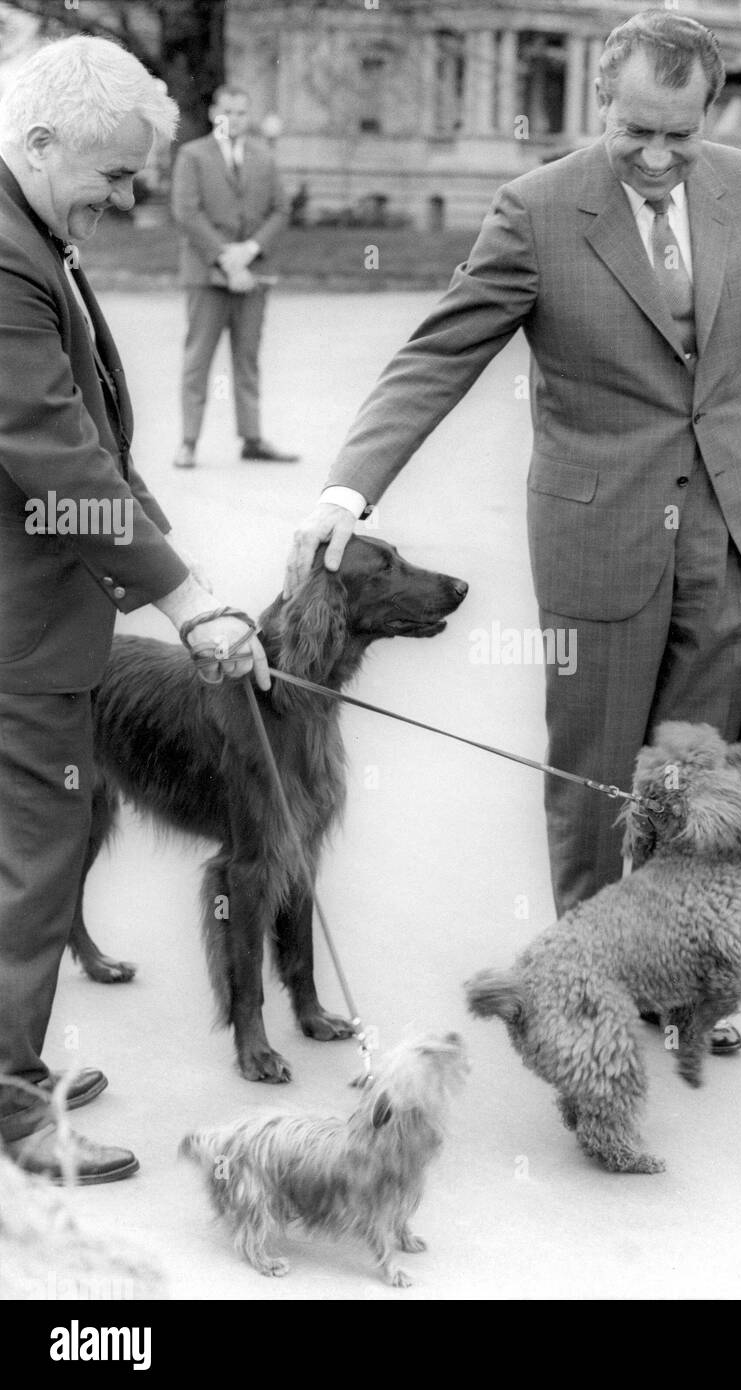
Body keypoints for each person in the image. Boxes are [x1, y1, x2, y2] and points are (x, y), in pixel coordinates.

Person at [285, 10, 741, 1051]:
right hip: (597, 536)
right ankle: (585, 985)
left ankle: (682, 971)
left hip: (727, 537)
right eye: (635, 130)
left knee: (696, 780)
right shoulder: (535, 208)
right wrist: (348, 491)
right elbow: (438, 355)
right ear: (598, 102)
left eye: (679, 134)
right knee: (599, 776)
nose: (656, 157)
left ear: (711, 112)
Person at [0, 36, 269, 1184]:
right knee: (33, 857)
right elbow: (55, 456)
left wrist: (183, 591)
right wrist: (188, 599)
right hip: (19, 631)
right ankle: (13, 1103)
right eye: (115, 175)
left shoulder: (32, 234)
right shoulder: (8, 258)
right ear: (42, 139)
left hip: (39, 607)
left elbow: (92, 445)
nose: (129, 195)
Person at [170, 84, 298, 468]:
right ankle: (188, 441)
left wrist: (251, 251)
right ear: (214, 113)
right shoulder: (192, 155)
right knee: (198, 359)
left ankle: (252, 438)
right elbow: (186, 213)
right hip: (207, 273)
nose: (235, 120)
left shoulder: (264, 156)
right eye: (228, 112)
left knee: (248, 358)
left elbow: (281, 210)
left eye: (243, 113)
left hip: (254, 273)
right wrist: (228, 259)